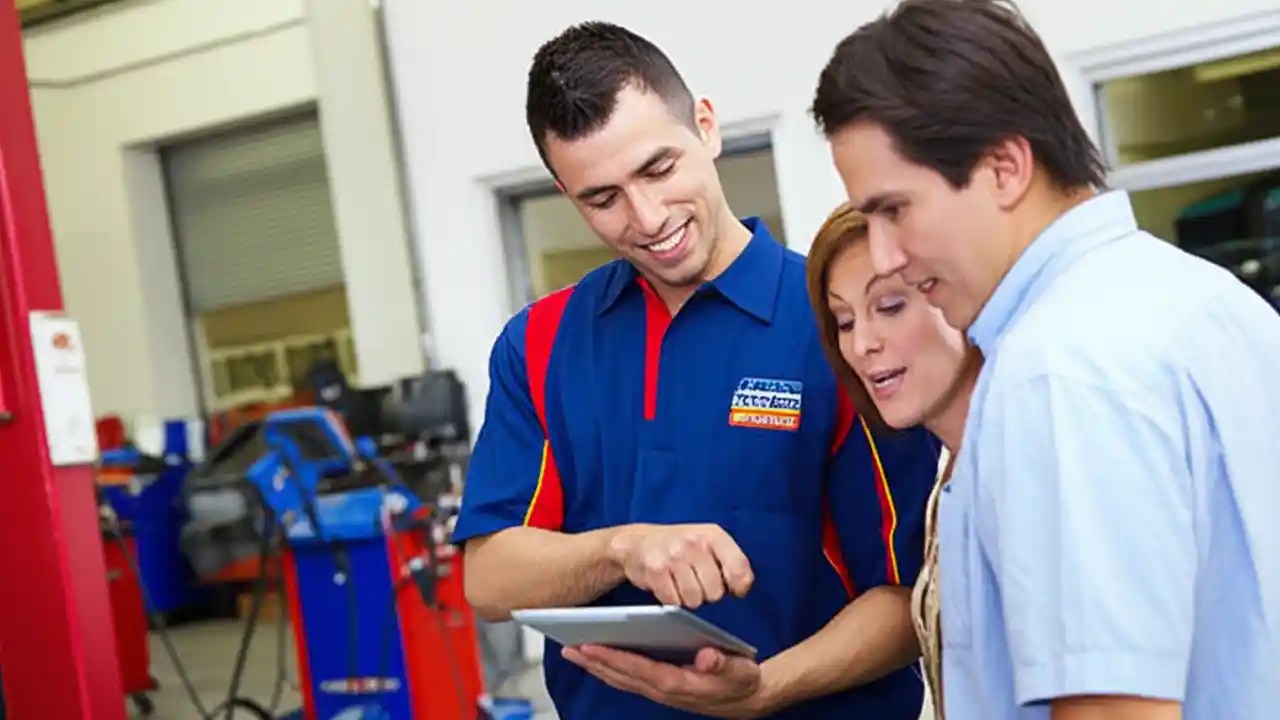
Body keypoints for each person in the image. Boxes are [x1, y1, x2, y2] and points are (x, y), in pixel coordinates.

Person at [452, 20, 940, 720]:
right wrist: (623, 550)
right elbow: (490, 579)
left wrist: (765, 689)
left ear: (706, 127)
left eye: (658, 169)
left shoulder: (838, 325)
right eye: (602, 198)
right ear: (568, 194)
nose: (647, 217)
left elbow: (906, 596)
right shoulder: (540, 344)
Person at [809, 1, 1280, 719]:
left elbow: (1111, 707)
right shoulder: (1209, 300)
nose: (885, 255)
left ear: (1004, 167)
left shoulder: (1055, 369)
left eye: (895, 210)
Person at [805, 202, 981, 718]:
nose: (861, 344)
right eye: (843, 321)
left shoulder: (1028, 464)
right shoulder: (947, 480)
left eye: (888, 306)